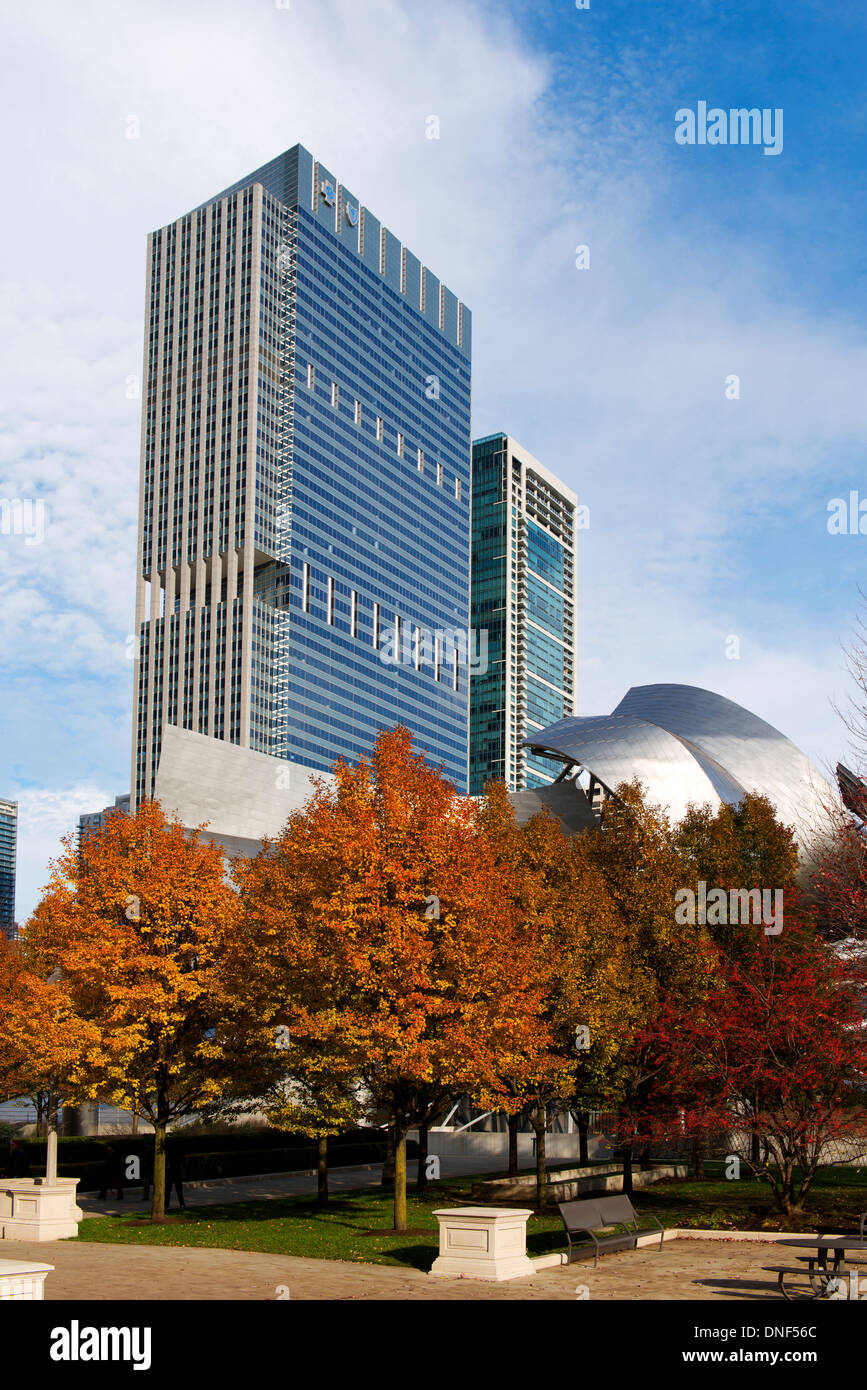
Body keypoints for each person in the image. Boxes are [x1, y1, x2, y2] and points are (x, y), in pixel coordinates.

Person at [165, 1144, 186, 1210]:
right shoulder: (178, 1155)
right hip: (177, 1173)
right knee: (179, 1190)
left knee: (168, 1190)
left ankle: (166, 1205)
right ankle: (182, 1204)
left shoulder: (168, 1154)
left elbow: (166, 1164)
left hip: (171, 1173)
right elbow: (182, 1163)